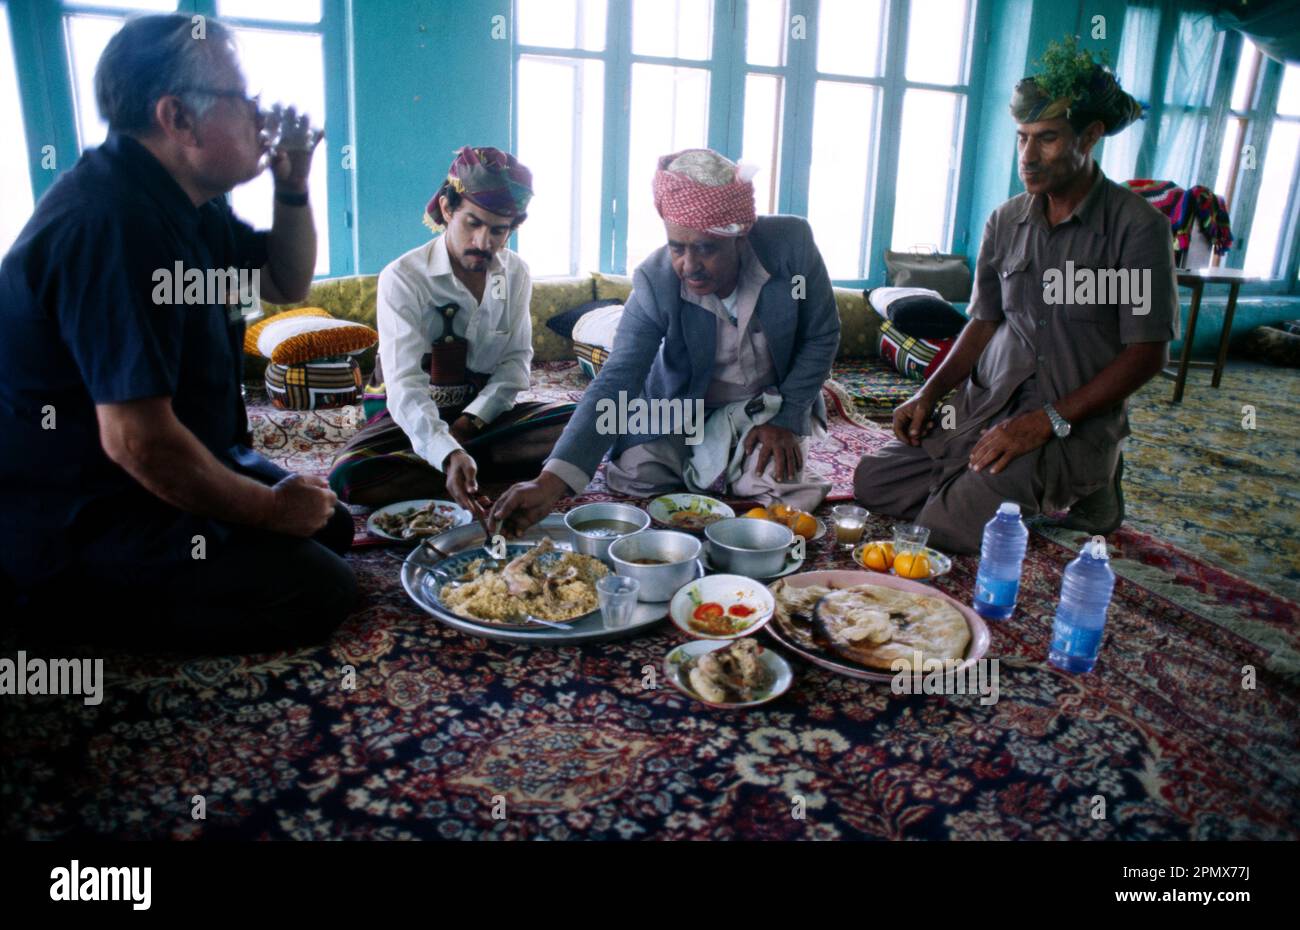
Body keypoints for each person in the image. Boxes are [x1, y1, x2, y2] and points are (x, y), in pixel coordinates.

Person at [0, 14, 355, 654]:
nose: (262, 114)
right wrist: (270, 512)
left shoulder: (186, 200)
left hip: (183, 459)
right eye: (242, 98)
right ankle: (66, 624)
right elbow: (138, 443)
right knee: (319, 589)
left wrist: (293, 187)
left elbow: (283, 280)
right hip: (89, 509)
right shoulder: (111, 225)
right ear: (178, 119)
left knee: (332, 525)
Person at [852, 42, 1176, 553]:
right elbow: (981, 323)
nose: (1027, 156)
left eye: (1046, 139)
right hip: (985, 405)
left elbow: (1147, 354)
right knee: (872, 481)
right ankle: (977, 486)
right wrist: (928, 394)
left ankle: (1095, 476)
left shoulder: (1136, 228)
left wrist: (1045, 422)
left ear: (1090, 137)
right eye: (1022, 138)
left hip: (1069, 420)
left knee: (943, 530)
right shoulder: (1006, 221)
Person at [489, 148, 839, 537]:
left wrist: (787, 418)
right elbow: (618, 377)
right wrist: (549, 482)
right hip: (677, 406)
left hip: (765, 404)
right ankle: (714, 466)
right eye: (678, 247)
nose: (689, 266)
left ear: (739, 238)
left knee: (782, 483)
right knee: (637, 473)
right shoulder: (655, 281)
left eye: (706, 248)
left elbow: (820, 334)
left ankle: (729, 464)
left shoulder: (791, 249)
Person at [327, 146, 574, 513]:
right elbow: (404, 388)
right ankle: (466, 466)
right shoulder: (403, 277)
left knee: (581, 424)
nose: (483, 242)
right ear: (447, 208)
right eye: (473, 223)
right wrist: (446, 448)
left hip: (481, 417)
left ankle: (458, 469)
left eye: (499, 230)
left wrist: (467, 427)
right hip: (408, 416)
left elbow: (516, 363)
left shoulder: (516, 273)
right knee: (348, 477)